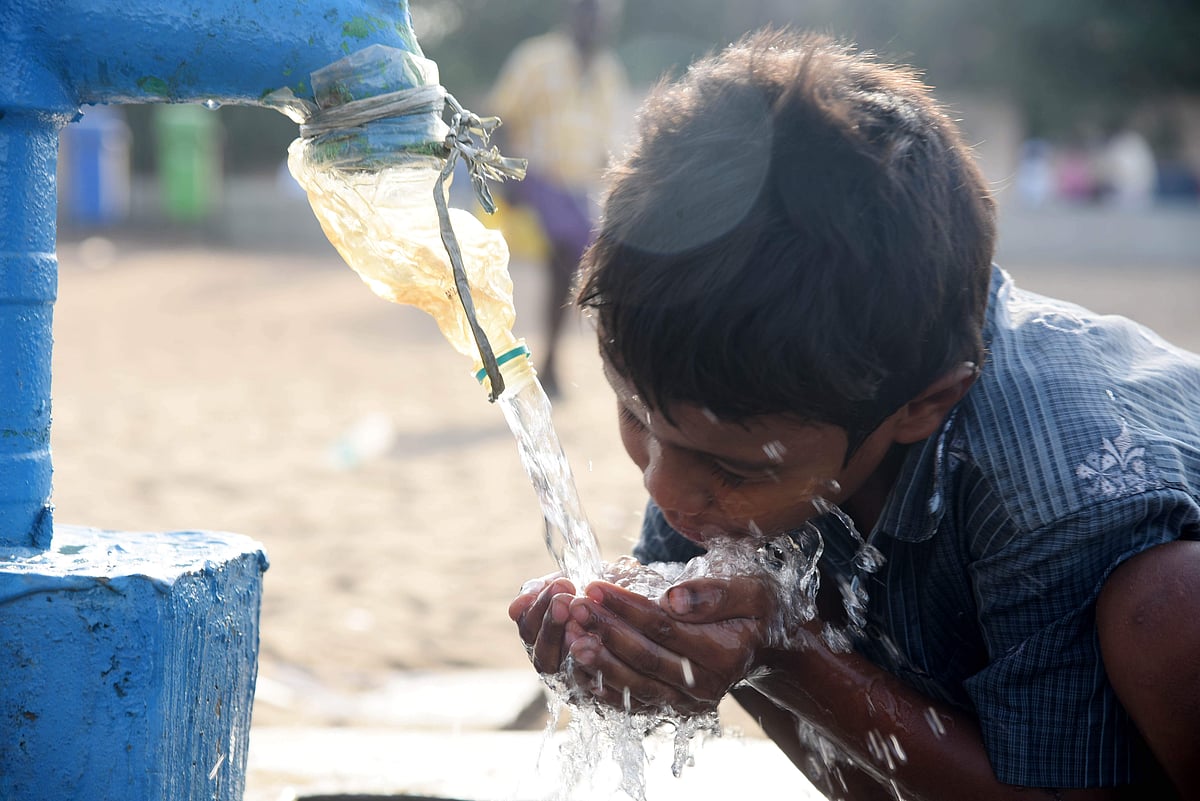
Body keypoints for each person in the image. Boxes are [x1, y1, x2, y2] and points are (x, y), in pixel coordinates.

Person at [508, 29, 1200, 800]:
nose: (668, 489)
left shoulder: (1049, 485)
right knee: (739, 611)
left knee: (1171, 605)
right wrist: (645, 644)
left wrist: (789, 649)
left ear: (924, 403)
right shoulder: (732, 425)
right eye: (636, 418)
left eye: (732, 467)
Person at [486, 0, 628, 398]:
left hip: (577, 188)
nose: (593, 24)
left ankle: (549, 360)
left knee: (581, 265)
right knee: (568, 252)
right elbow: (501, 117)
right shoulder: (537, 59)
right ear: (572, 16)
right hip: (535, 175)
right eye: (587, 14)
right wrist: (503, 177)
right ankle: (543, 363)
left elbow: (604, 145)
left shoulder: (606, 72)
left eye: (601, 18)